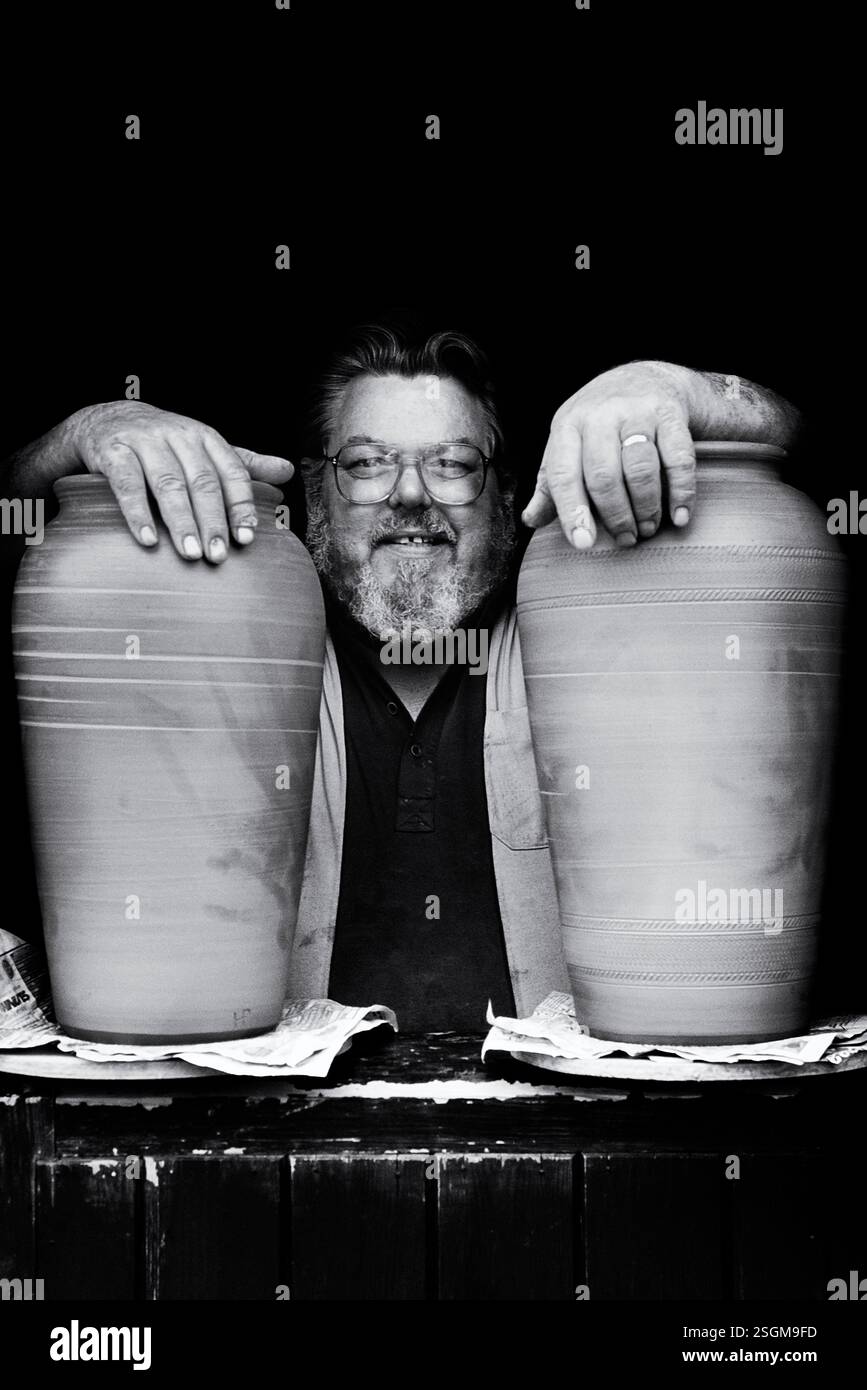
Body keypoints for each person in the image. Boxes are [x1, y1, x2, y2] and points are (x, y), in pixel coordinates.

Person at [1, 325, 800, 1030]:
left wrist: (668, 388)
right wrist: (91, 429)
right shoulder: (230, 643)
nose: (411, 494)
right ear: (313, 496)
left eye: (453, 464)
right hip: (274, 1149)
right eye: (368, 464)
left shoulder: (594, 630)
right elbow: (15, 523)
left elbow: (795, 435)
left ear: (512, 496)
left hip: (564, 1149)